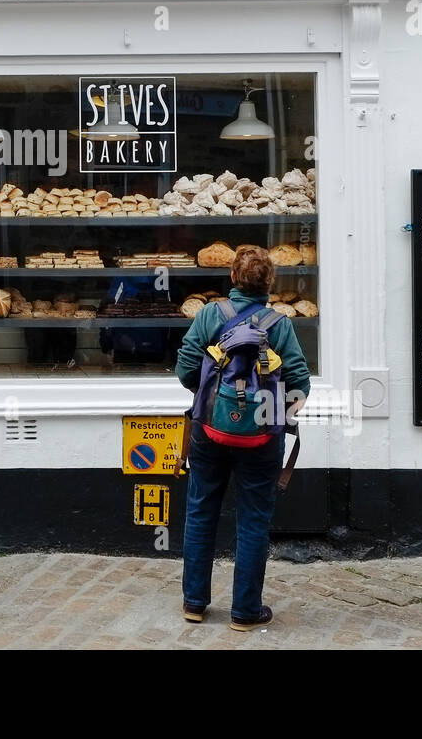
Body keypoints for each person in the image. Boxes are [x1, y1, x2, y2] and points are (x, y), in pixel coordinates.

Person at [175, 244, 310, 629]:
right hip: (263, 437)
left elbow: (185, 368)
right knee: (253, 520)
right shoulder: (279, 324)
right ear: (270, 283)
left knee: (201, 511)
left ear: (233, 278)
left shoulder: (209, 315)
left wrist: (211, 399)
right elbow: (299, 384)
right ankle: (245, 612)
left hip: (209, 431)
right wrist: (269, 411)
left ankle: (194, 603)